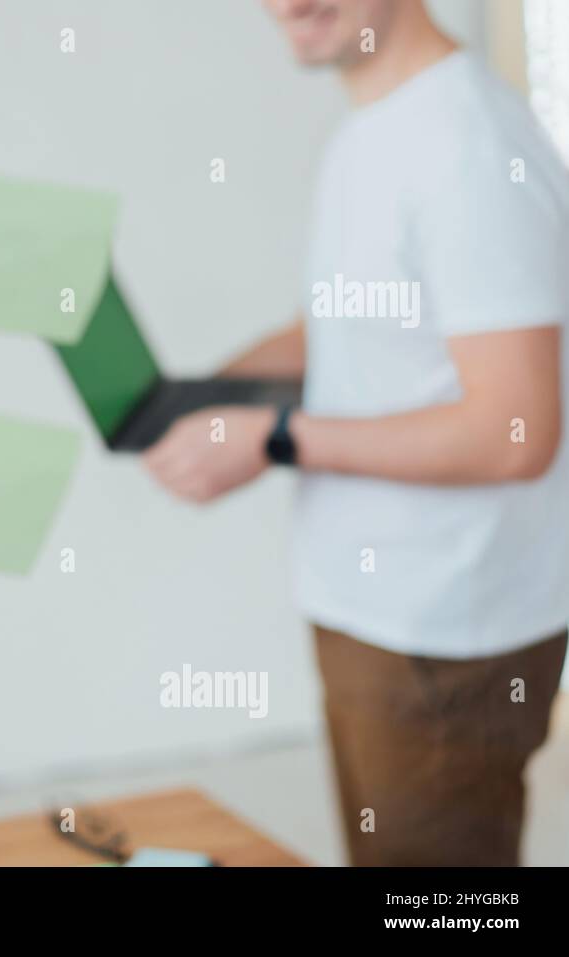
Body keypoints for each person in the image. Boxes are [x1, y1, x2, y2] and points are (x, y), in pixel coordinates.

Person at [144, 0, 569, 865]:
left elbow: (515, 432)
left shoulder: (470, 146)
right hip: (369, 616)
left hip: (444, 633)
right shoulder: (375, 128)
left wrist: (273, 437)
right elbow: (350, 326)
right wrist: (196, 396)